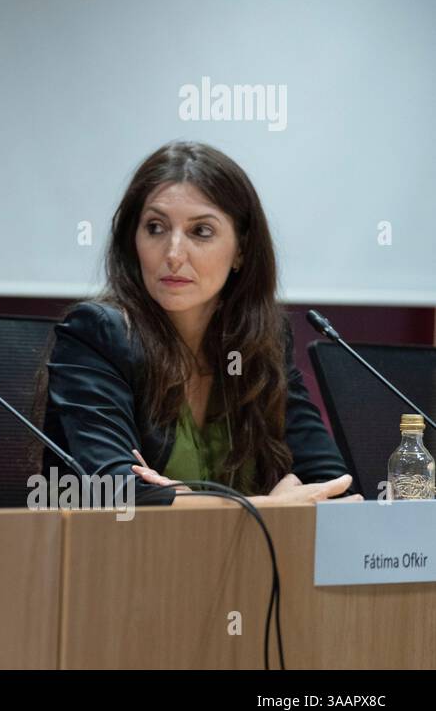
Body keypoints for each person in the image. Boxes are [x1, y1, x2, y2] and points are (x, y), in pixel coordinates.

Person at [39, 141, 361, 506]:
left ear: (241, 248)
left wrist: (181, 501)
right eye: (156, 227)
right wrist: (269, 507)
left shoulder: (261, 342)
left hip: (244, 562)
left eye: (201, 232)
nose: (174, 254)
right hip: (114, 560)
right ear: (134, 240)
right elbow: (117, 495)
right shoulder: (98, 334)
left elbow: (336, 488)